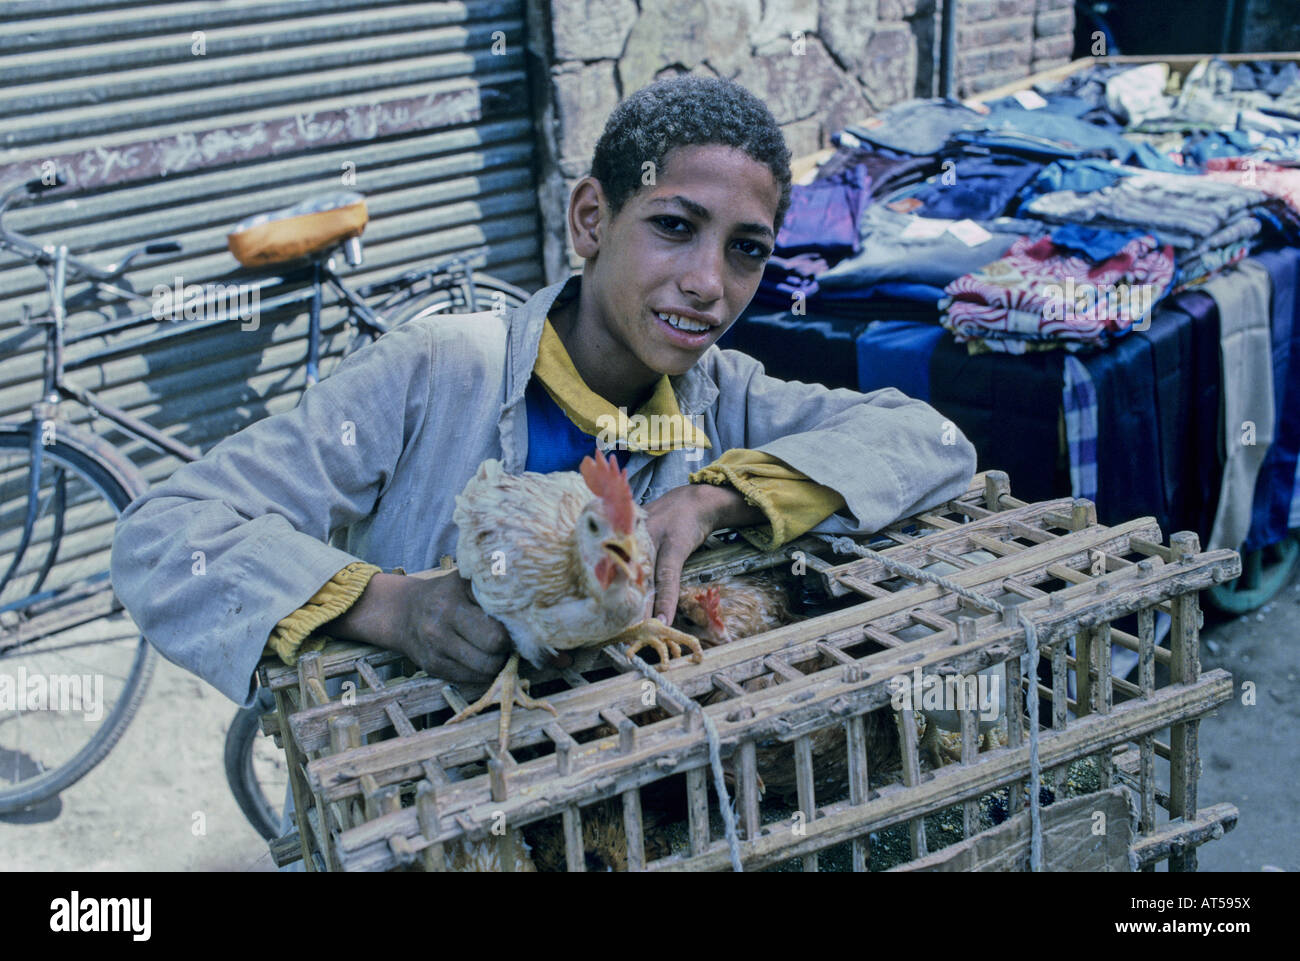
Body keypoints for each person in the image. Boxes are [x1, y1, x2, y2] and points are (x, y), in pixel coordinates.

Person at [110, 75, 978, 710]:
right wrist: (391, 605)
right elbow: (163, 535)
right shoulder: (441, 370)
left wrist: (714, 500)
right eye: (674, 228)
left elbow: (934, 442)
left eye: (746, 249)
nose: (709, 282)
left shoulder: (720, 394)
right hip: (430, 790)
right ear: (591, 220)